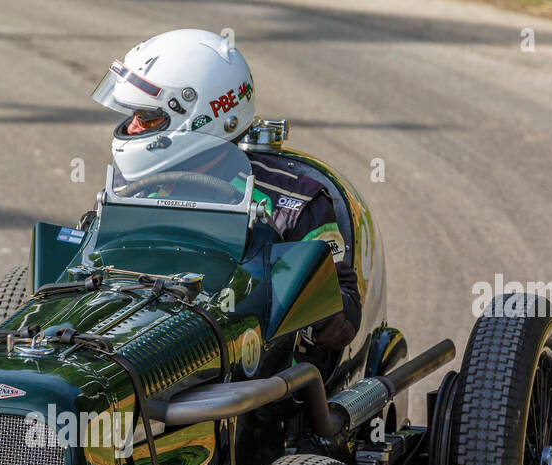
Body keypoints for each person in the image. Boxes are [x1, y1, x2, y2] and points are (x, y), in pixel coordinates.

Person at [90, 28, 361, 366]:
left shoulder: (293, 203)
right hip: (136, 351)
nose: (130, 128)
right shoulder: (129, 188)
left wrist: (297, 294)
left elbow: (345, 315)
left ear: (201, 119)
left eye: (146, 118)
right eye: (132, 115)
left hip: (252, 387)